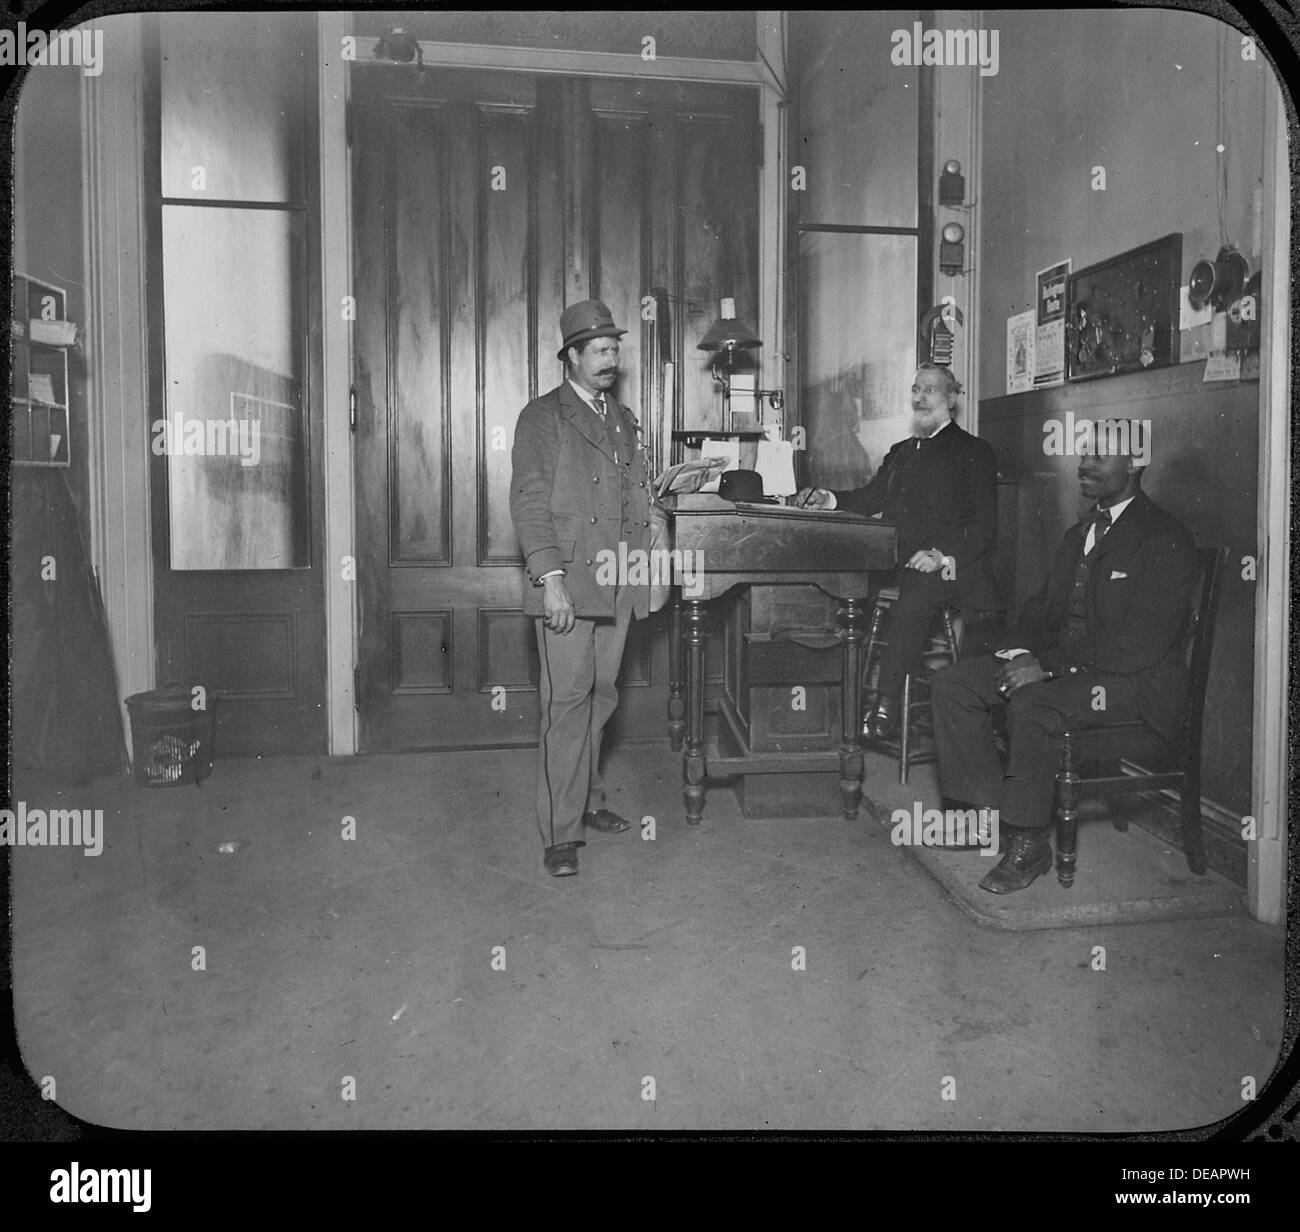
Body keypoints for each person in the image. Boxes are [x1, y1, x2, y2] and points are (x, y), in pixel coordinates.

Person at [929, 422, 1196, 893]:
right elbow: (1043, 611)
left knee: (1034, 702)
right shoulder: (1080, 533)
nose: (1085, 463)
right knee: (955, 683)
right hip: (1073, 667)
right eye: (1084, 453)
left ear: (1135, 464)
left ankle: (1029, 843)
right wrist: (1009, 649)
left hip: (1132, 683)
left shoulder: (1165, 537)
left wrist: (1048, 666)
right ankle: (989, 817)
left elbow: (1142, 643)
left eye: (1100, 455)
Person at [510, 300, 655, 877]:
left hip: (617, 581)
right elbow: (528, 501)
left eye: (614, 349)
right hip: (568, 584)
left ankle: (588, 800)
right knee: (566, 705)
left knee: (602, 697)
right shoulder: (542, 417)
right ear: (570, 356)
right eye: (598, 351)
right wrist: (549, 580)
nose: (610, 360)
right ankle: (559, 833)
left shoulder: (621, 417)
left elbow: (633, 496)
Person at [796, 363, 1000, 737]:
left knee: (914, 603)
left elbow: (986, 526)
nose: (920, 398)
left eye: (931, 390)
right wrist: (827, 499)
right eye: (916, 389)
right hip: (895, 561)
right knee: (846, 592)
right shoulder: (901, 452)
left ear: (951, 399)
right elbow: (868, 497)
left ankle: (884, 707)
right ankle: (842, 699)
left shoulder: (973, 450)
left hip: (949, 568)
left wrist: (942, 555)